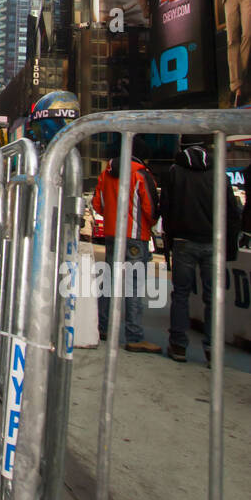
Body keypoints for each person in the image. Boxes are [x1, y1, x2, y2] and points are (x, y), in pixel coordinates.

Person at [160, 136, 241, 365]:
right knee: (213, 298)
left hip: (184, 241)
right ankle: (212, 349)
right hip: (213, 241)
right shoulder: (218, 173)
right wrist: (230, 247)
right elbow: (232, 212)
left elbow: (166, 207)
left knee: (181, 294)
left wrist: (171, 235)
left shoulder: (174, 172)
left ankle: (178, 345)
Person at [92, 141, 161, 353]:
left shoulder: (107, 174)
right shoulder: (141, 174)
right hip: (135, 237)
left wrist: (112, 219)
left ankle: (102, 328)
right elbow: (150, 208)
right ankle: (134, 336)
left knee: (109, 282)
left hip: (113, 234)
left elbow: (97, 205)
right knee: (133, 286)